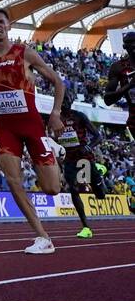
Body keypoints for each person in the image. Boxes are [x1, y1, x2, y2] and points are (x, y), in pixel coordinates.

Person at [0, 8, 65, 254]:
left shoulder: (24, 53)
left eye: (0, 21)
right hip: (6, 128)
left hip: (33, 124)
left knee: (52, 189)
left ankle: (54, 153)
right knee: (13, 180)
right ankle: (42, 237)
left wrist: (56, 114)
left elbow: (58, 82)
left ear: (8, 26)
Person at [55, 93, 102, 239]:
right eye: (62, 101)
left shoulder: (79, 116)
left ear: (71, 102)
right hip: (69, 160)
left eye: (67, 101)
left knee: (100, 195)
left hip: (84, 158)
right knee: (73, 190)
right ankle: (86, 227)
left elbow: (98, 136)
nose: (64, 104)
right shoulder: (55, 119)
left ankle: (100, 170)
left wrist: (88, 147)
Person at [103, 32, 135, 140]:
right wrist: (129, 86)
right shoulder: (118, 67)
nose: (134, 46)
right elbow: (107, 100)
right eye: (130, 44)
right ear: (125, 47)